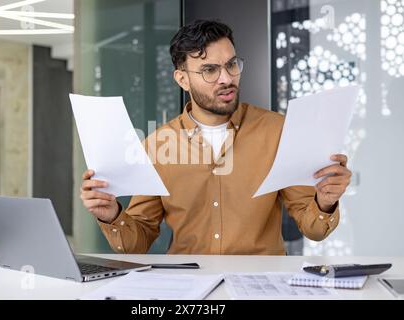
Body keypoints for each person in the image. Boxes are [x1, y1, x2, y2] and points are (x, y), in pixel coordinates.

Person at [80, 20, 351, 255]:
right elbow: (137, 244)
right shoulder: (156, 146)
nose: (226, 78)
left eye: (232, 65)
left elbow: (314, 229)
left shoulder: (278, 131)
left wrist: (324, 202)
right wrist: (113, 215)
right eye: (209, 70)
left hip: (258, 287)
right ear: (182, 79)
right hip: (189, 288)